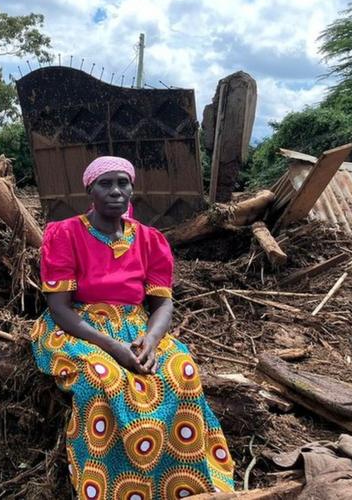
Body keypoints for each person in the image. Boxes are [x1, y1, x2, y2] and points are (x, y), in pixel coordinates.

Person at [30, 156, 235, 499]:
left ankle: (182, 483)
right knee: (102, 379)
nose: (115, 191)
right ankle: (109, 488)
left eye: (122, 183)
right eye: (105, 184)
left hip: (137, 328)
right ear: (89, 190)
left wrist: (152, 342)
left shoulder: (151, 240)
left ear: (131, 189)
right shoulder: (65, 233)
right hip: (80, 327)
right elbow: (59, 308)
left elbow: (162, 303)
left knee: (180, 369)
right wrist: (112, 348)